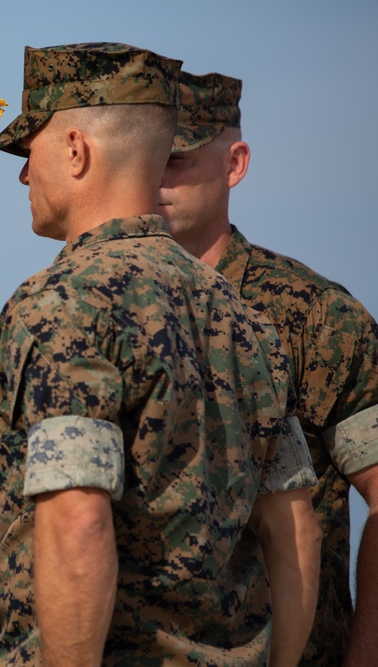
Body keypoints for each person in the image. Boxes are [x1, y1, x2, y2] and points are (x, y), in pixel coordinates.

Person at [0, 43, 321, 665]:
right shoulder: (243, 317)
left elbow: (79, 523)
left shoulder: (63, 305)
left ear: (75, 149)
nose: (23, 174)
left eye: (30, 151)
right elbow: (294, 533)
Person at [159, 72, 378, 666]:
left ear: (235, 164)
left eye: (176, 157)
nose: (155, 176)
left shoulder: (314, 316)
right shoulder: (100, 309)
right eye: (146, 153)